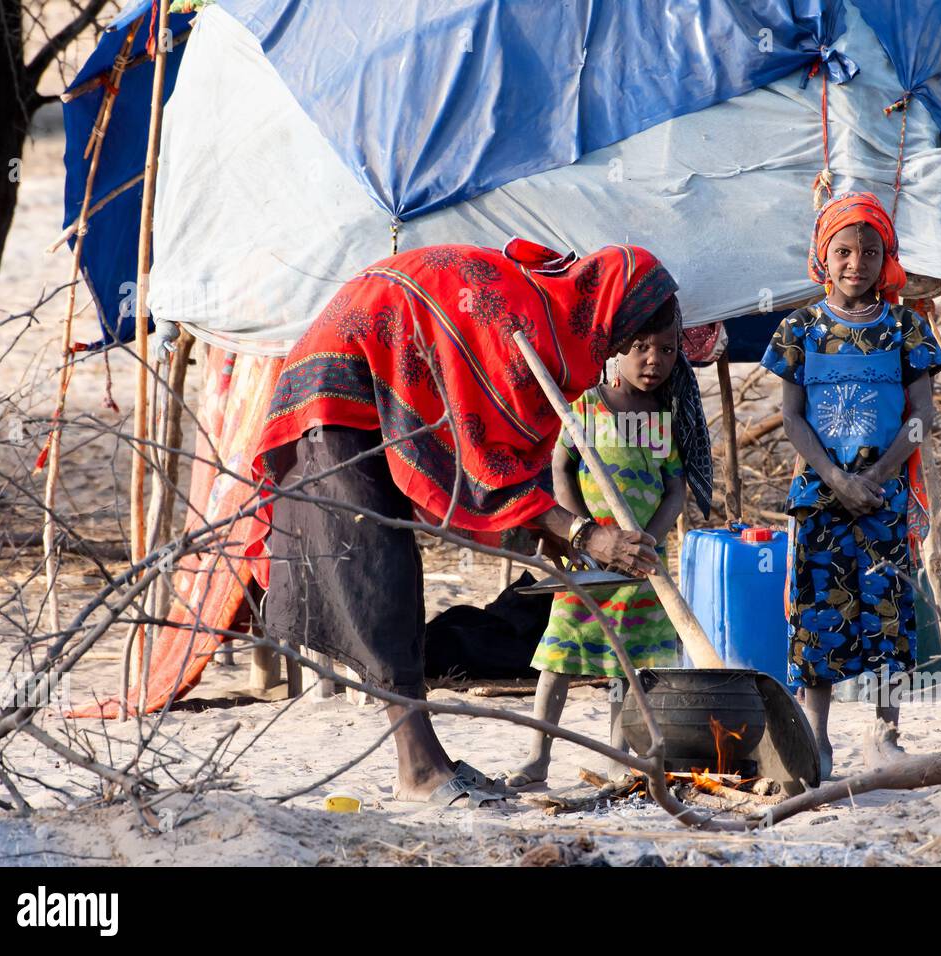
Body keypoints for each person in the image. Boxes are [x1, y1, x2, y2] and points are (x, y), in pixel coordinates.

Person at [248, 238, 713, 807]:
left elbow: (503, 451)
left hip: (369, 380)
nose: (609, 354)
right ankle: (417, 770)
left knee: (392, 576)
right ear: (609, 318)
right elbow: (484, 465)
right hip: (335, 392)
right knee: (378, 576)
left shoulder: (547, 310)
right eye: (621, 342)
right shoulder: (516, 322)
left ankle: (428, 759)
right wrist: (585, 533)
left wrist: (561, 529)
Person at [759, 192, 941, 777]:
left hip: (884, 497)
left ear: (885, 257)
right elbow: (792, 417)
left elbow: (922, 414)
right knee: (818, 612)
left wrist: (879, 475)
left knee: (887, 610)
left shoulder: (906, 328)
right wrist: (837, 478)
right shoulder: (800, 328)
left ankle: (887, 732)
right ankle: (816, 736)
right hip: (820, 496)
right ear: (824, 255)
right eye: (843, 250)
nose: (856, 263)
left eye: (870, 251)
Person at [503, 303, 691, 789]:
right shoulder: (586, 406)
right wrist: (579, 531)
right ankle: (536, 757)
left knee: (630, 666)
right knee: (559, 656)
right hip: (586, 560)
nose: (655, 360)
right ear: (615, 350)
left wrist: (649, 538)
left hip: (642, 564)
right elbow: (561, 469)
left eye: (667, 350)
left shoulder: (661, 418)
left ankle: (616, 757)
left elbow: (674, 489)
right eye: (642, 348)